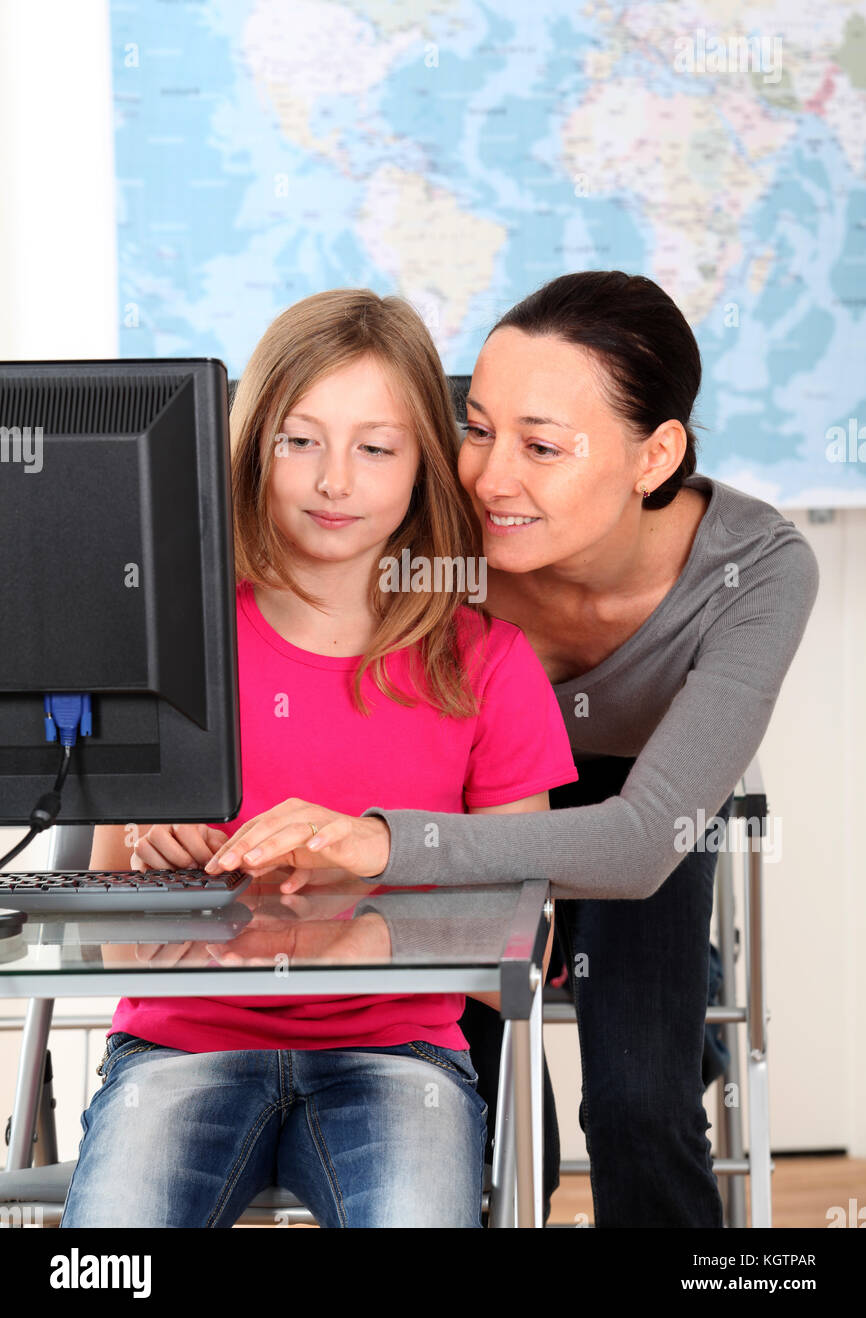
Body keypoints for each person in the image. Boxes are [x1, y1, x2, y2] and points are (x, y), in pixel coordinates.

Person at [210, 271, 820, 1228]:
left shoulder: (757, 571)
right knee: (482, 1097)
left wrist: (386, 843)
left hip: (643, 807)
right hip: (461, 785)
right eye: (477, 428)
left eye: (541, 446)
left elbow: (641, 839)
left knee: (638, 1101)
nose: (492, 478)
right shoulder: (432, 511)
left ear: (655, 455)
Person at [59, 289, 579, 1230]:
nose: (335, 481)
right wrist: (142, 859)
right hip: (181, 1051)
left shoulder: (487, 667)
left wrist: (356, 931)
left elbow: (522, 946)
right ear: (252, 445)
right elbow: (113, 945)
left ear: (425, 466)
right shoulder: (165, 647)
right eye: (300, 441)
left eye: (376, 449)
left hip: (395, 1061)